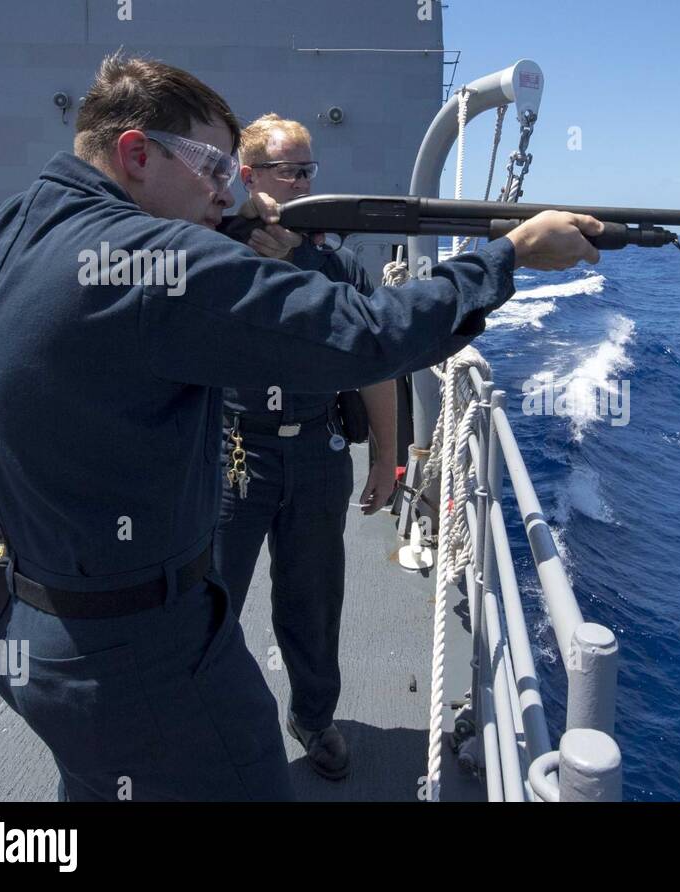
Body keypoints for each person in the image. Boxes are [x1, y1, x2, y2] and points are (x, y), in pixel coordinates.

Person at [0, 51, 600, 801]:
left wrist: (229, 230)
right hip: (141, 658)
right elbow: (368, 336)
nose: (225, 190)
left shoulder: (14, 224)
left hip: (33, 625)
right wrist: (509, 254)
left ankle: (312, 712)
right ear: (135, 154)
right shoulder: (156, 261)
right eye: (211, 168)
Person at [212, 114, 393, 780]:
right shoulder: (216, 247)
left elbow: (372, 359)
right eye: (290, 169)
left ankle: (314, 717)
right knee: (212, 599)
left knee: (314, 599)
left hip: (317, 451)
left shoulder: (337, 262)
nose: (304, 181)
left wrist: (383, 456)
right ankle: (211, 718)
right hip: (236, 452)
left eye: (310, 168)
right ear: (249, 174)